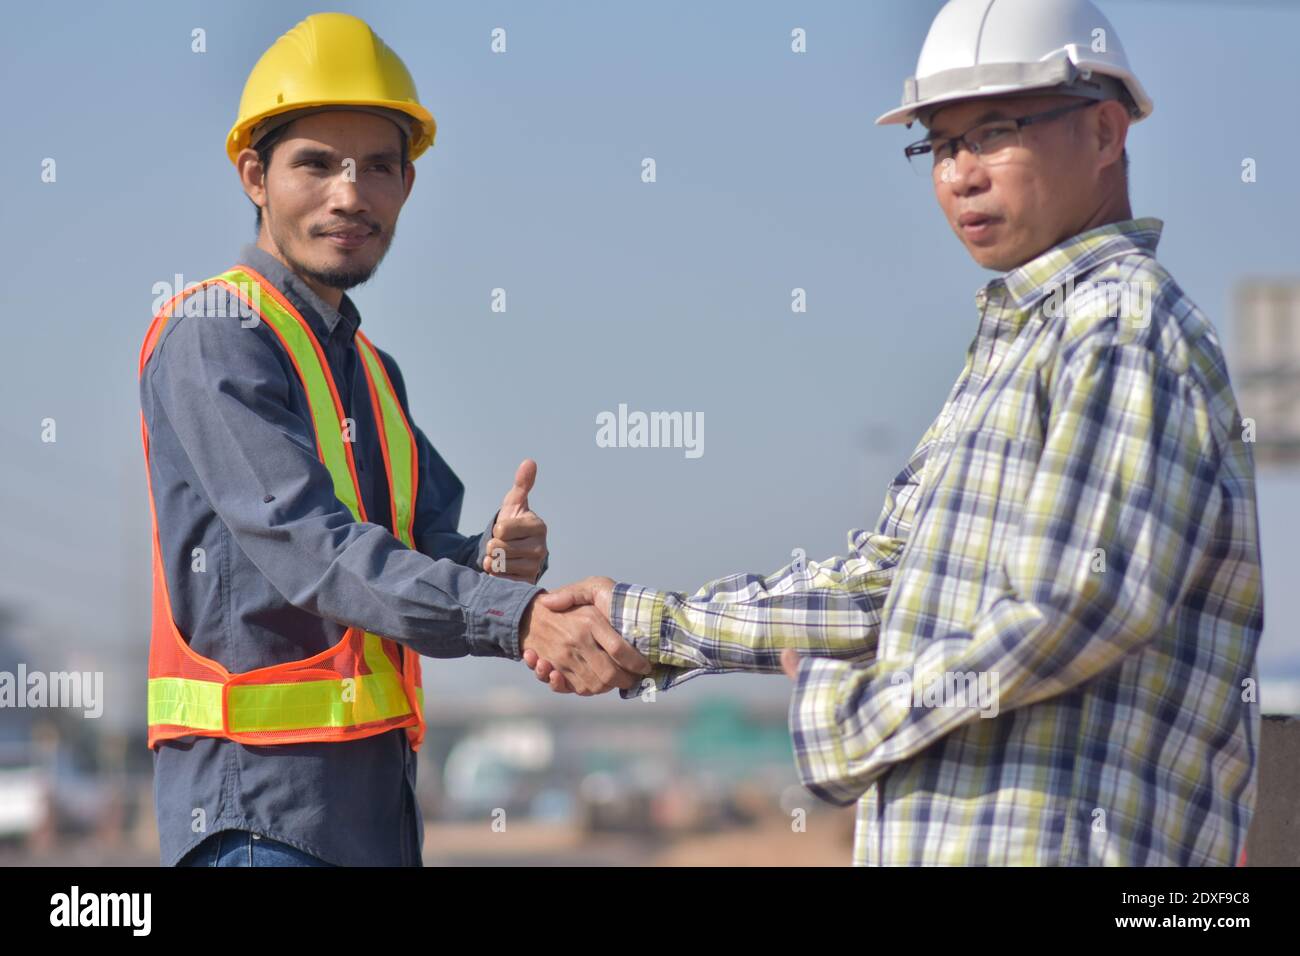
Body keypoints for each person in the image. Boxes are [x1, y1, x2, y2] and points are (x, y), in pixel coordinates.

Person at [525, 0, 1264, 865]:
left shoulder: (1122, 320)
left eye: (994, 132)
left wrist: (852, 718)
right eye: (942, 146)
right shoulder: (1019, 346)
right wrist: (651, 625)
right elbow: (884, 590)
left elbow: (1084, 601)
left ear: (1105, 132)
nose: (960, 175)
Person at [140, 12, 649, 868]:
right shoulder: (214, 331)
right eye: (315, 164)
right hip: (261, 819)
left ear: (408, 185)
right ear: (253, 175)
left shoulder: (370, 368)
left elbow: (415, 547)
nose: (350, 194)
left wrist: (491, 561)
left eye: (377, 167)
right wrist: (519, 614)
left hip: (371, 813)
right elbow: (314, 552)